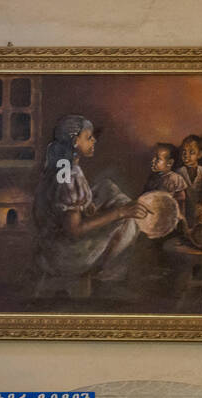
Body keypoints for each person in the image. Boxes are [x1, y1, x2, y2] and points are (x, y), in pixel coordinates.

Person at [32, 115, 149, 293]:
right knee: (127, 220)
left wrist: (87, 206)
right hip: (63, 255)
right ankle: (109, 279)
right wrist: (120, 213)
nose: (94, 140)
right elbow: (74, 230)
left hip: (51, 243)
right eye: (89, 137)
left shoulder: (61, 165)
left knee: (107, 187)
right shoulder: (70, 176)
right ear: (74, 142)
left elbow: (59, 209)